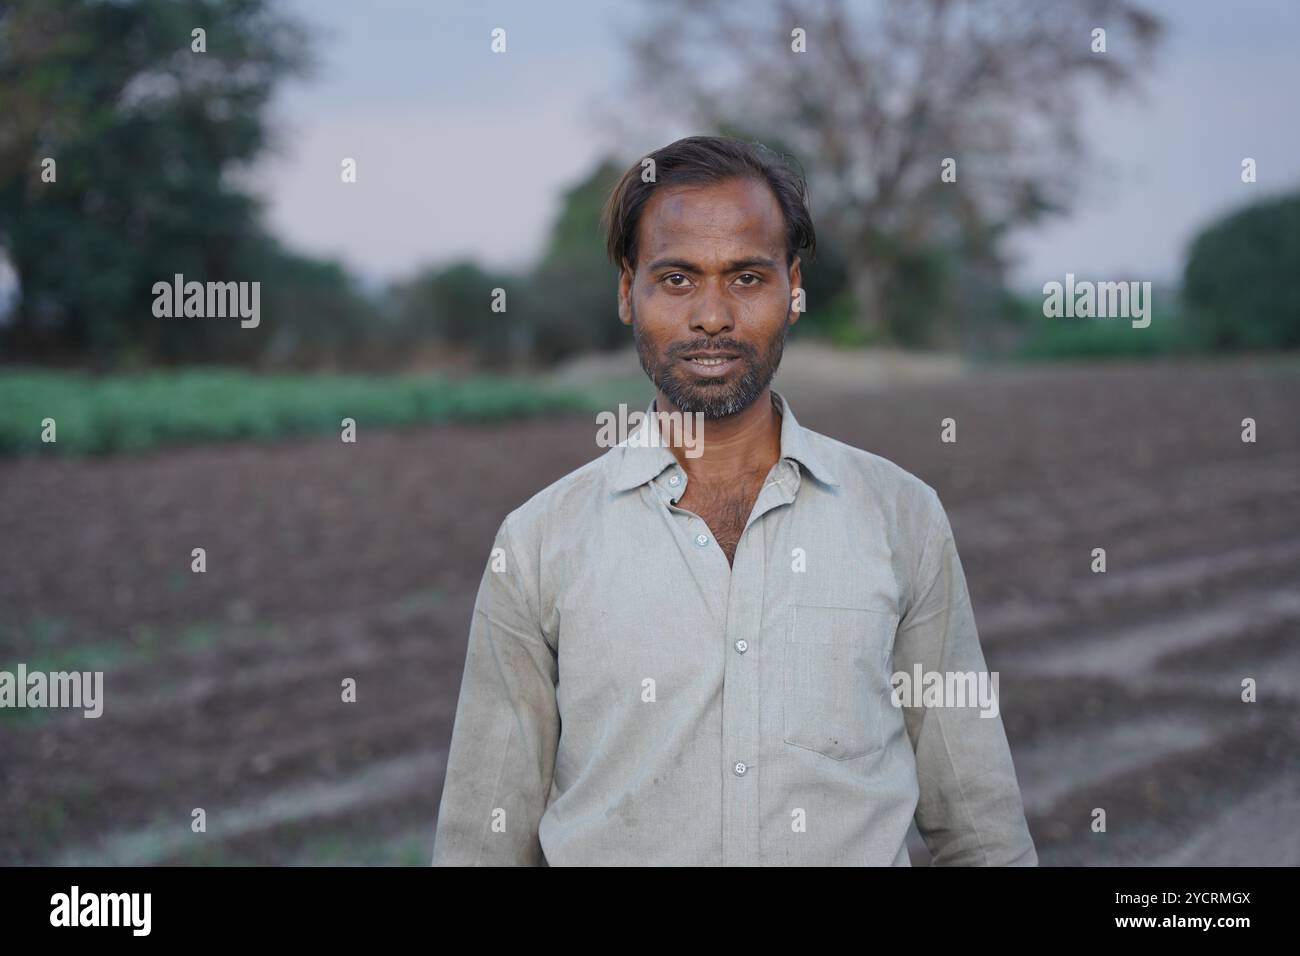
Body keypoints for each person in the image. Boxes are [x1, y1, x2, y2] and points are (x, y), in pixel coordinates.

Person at [431, 135, 1037, 866]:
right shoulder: (537, 543)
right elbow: (483, 839)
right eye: (678, 279)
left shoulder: (901, 515)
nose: (712, 316)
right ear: (628, 291)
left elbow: (977, 821)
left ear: (793, 287)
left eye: (747, 278)